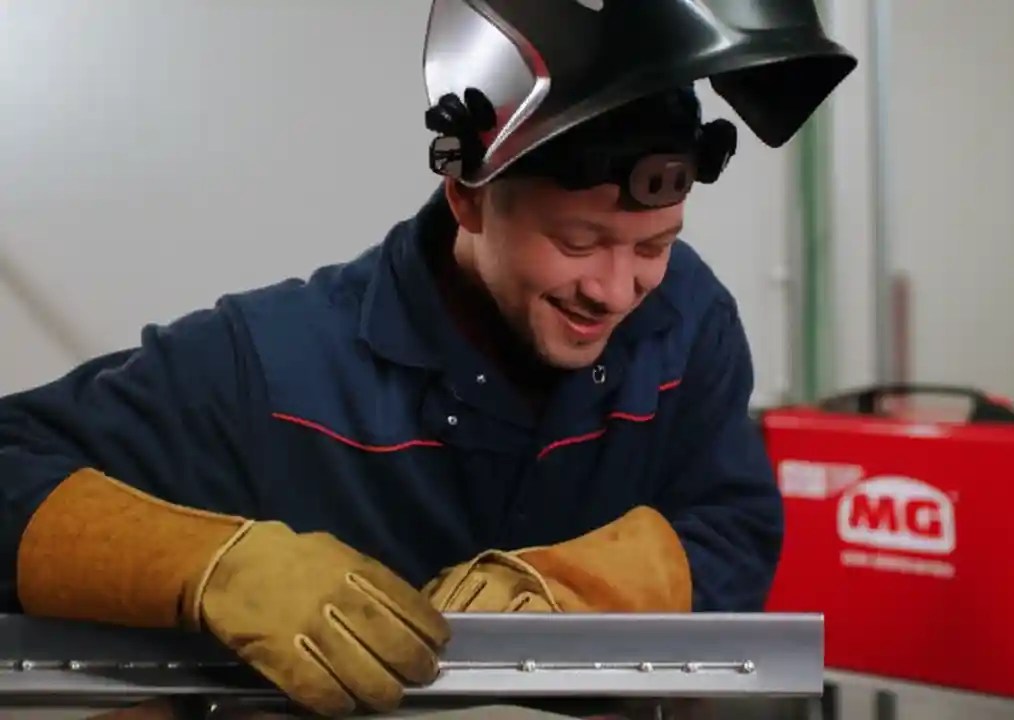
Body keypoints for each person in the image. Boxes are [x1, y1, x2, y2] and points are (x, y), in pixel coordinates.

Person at [0, 0, 856, 717]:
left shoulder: (688, 323)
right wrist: (209, 567)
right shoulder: (276, 364)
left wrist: (580, 586)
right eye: (579, 240)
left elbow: (733, 527)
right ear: (468, 199)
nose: (617, 288)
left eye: (654, 245)